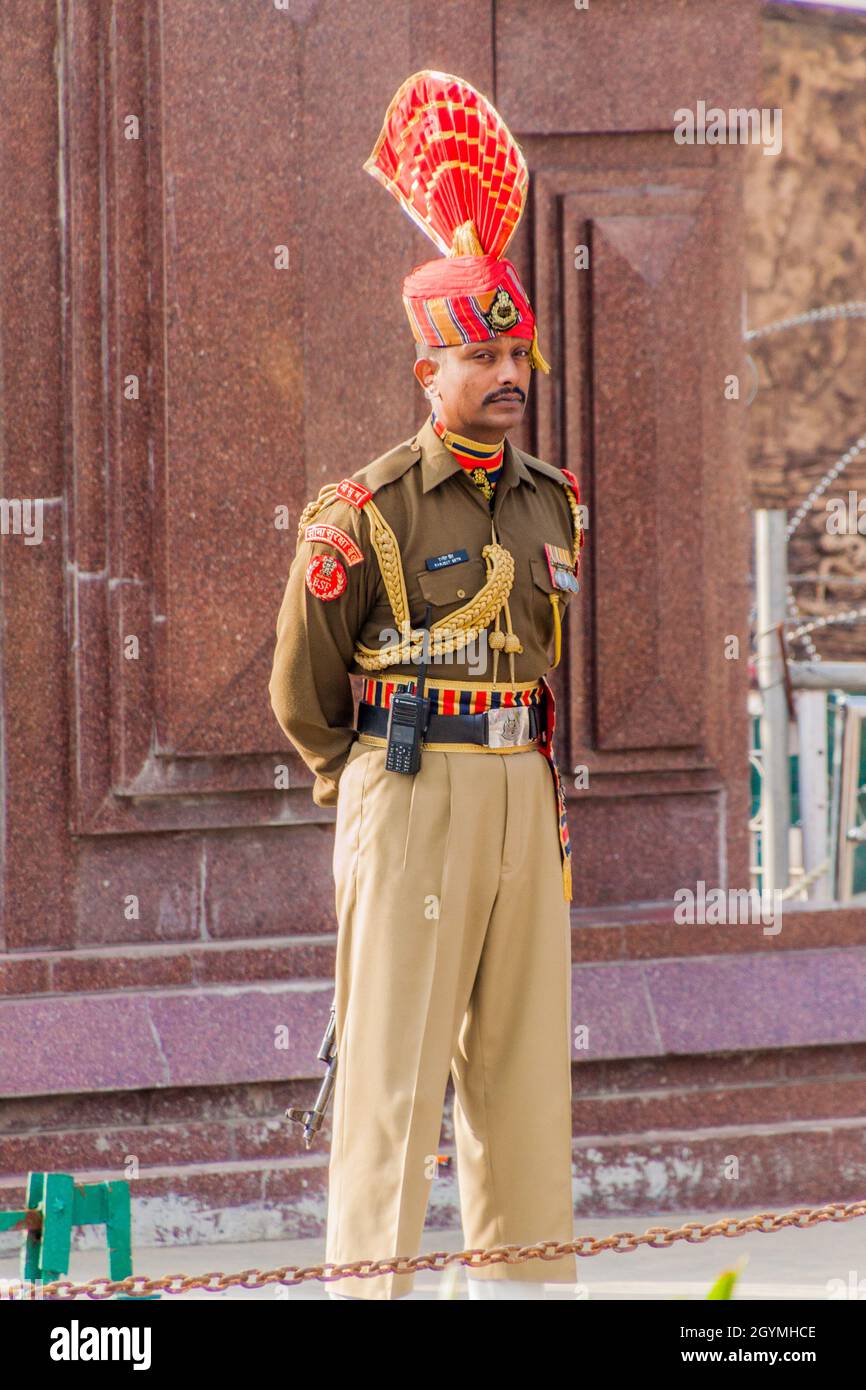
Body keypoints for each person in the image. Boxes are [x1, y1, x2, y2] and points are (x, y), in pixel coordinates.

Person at [269, 70, 585, 1301]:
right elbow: (305, 686)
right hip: (405, 789)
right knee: (393, 1082)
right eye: (479, 353)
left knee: (520, 1086)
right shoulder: (367, 508)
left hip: (519, 790)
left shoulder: (548, 498)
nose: (507, 372)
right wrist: (361, 798)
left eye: (515, 350)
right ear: (427, 371)